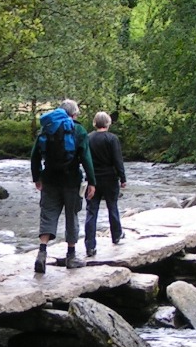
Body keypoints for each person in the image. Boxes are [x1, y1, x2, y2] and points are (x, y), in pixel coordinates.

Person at [31, 99, 96, 274]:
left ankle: (42, 254)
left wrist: (37, 177)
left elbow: (35, 156)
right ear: (73, 114)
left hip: (49, 180)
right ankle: (71, 256)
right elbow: (86, 158)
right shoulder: (79, 130)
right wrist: (92, 181)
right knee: (71, 216)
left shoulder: (46, 129)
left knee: (48, 215)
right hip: (72, 181)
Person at [84, 111, 126, 258]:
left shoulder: (88, 138)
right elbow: (117, 160)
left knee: (91, 211)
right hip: (110, 178)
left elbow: (83, 158)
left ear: (95, 123)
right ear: (108, 123)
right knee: (112, 206)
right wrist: (123, 178)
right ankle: (116, 235)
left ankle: (90, 246)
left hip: (92, 179)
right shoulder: (112, 139)